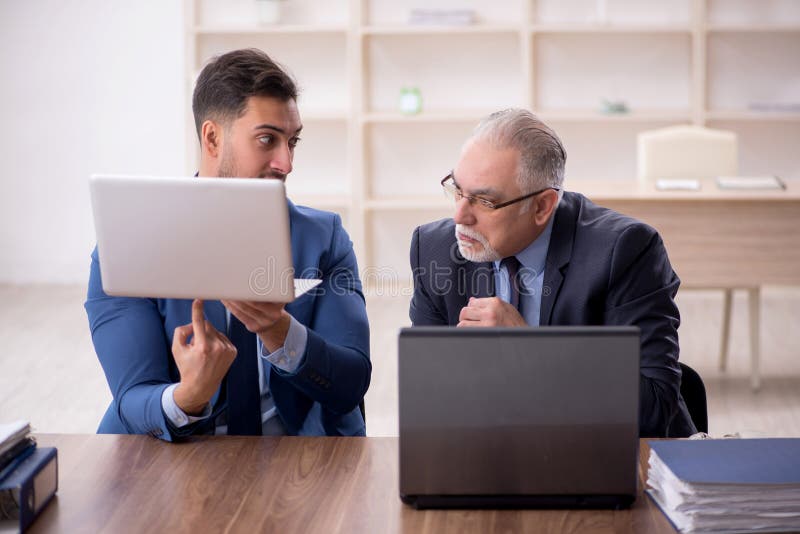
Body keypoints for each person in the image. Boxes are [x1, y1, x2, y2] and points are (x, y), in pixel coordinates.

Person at [85, 48, 371, 440]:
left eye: (293, 142)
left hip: (298, 460)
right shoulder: (127, 248)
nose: (286, 163)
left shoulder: (325, 239)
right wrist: (189, 396)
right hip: (175, 458)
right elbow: (132, 397)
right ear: (213, 137)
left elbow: (351, 384)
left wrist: (280, 332)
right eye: (267, 139)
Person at [408, 108, 695, 438]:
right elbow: (429, 401)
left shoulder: (625, 250)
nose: (460, 215)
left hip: (606, 455)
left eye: (484, 201)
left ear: (543, 206)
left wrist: (532, 349)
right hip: (492, 453)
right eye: (457, 189)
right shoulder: (434, 249)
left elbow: (653, 410)